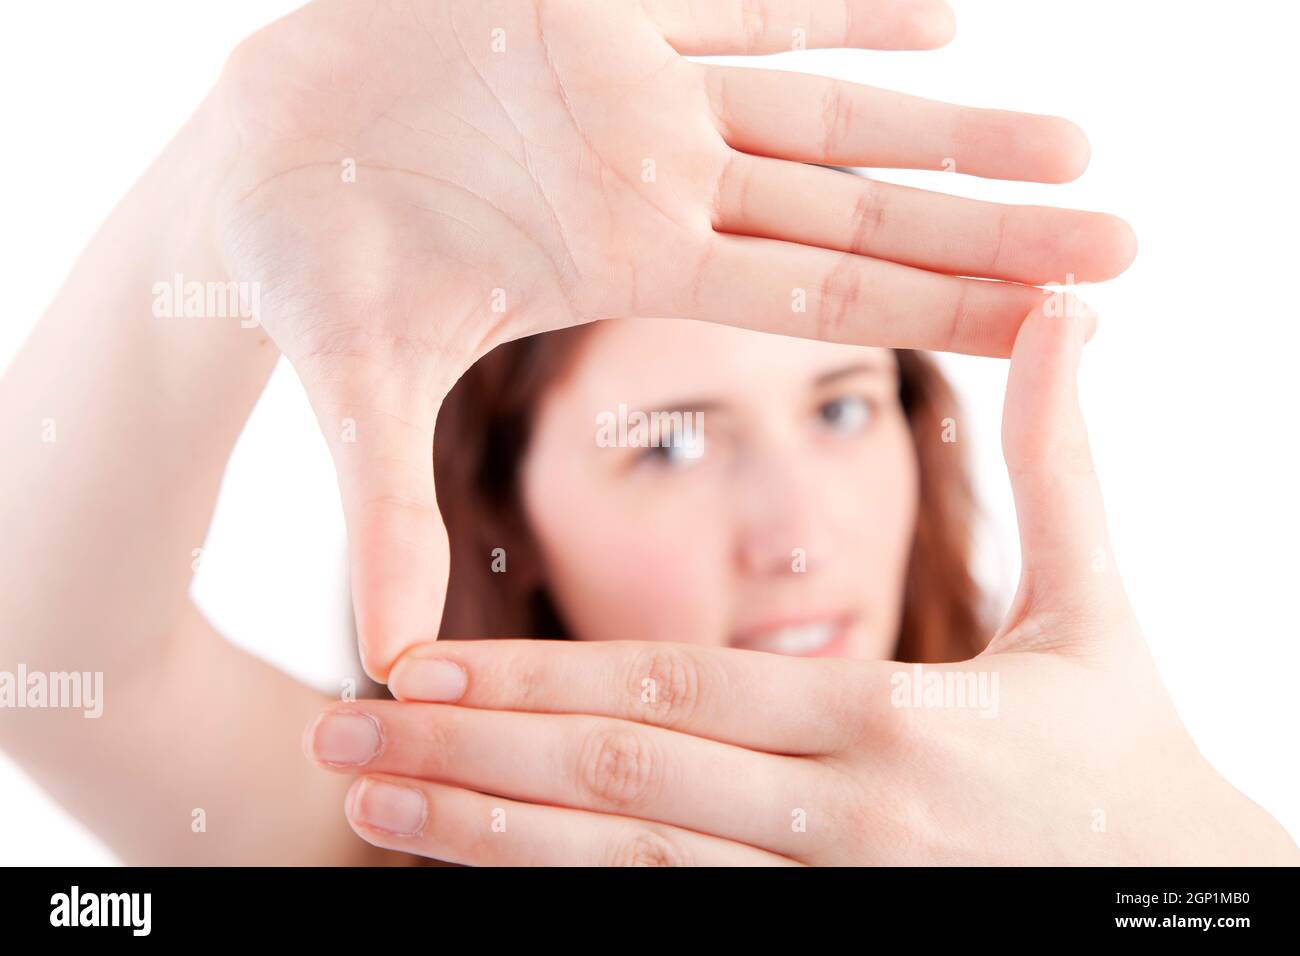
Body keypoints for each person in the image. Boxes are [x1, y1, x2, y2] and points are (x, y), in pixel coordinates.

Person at [3, 0, 1291, 864]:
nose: (798, 537)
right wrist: (237, 153)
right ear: (505, 517)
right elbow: (40, 660)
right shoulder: (407, 817)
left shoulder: (1103, 820)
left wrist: (1200, 869)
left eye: (842, 407)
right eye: (671, 443)